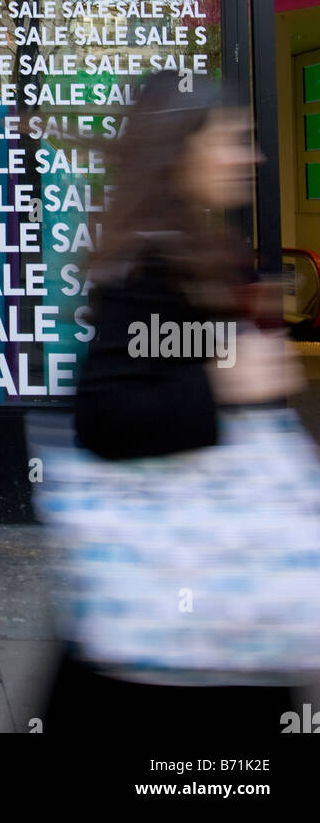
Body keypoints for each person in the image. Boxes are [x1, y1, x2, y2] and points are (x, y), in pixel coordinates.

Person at [41, 70, 307, 740]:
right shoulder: (151, 261)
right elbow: (105, 417)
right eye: (235, 140)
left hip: (192, 620)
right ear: (182, 149)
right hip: (179, 624)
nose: (254, 156)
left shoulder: (192, 248)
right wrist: (223, 383)